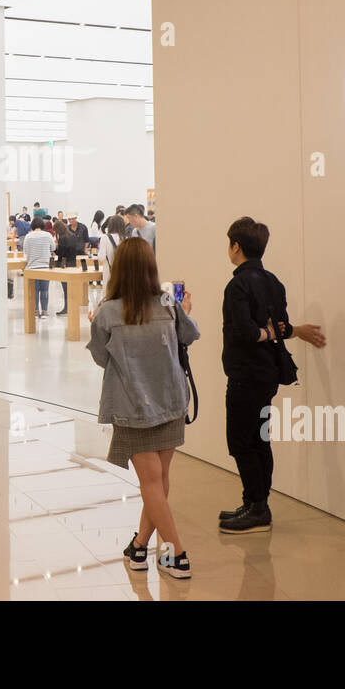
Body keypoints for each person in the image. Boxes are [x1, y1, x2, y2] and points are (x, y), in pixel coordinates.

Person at [88, 236, 199, 579]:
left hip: (132, 406)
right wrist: (184, 311)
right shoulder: (168, 304)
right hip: (170, 401)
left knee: (152, 484)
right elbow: (190, 335)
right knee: (160, 481)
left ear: (118, 269)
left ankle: (177, 555)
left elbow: (100, 357)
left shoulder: (107, 312)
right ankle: (139, 547)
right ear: (151, 268)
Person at [218, 216, 327, 534]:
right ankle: (255, 502)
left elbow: (248, 333)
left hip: (245, 374)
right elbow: (280, 326)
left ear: (235, 246)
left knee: (241, 441)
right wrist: (290, 331)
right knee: (259, 439)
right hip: (266, 375)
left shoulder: (237, 285)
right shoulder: (273, 282)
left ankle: (257, 508)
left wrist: (264, 333)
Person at [22, 215, 55, 319]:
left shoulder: (28, 236)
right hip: (45, 267)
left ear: (32, 225)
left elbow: (25, 251)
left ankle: (35, 311)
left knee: (35, 290)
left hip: (32, 267)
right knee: (45, 290)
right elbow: (53, 248)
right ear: (42, 225)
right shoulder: (48, 235)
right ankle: (45, 311)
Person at [53, 218, 80, 316]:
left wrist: (54, 249)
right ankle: (72, 307)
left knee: (65, 288)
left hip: (65, 264)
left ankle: (66, 308)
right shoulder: (72, 235)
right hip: (73, 263)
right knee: (72, 288)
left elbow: (61, 252)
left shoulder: (63, 238)